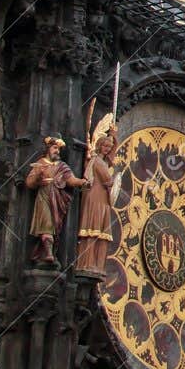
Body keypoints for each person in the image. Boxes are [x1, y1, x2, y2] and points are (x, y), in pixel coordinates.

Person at [25, 135, 84, 266]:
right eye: (55, 148)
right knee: (46, 225)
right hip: (44, 198)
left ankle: (49, 251)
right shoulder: (40, 164)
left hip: (57, 200)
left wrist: (82, 182)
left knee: (55, 227)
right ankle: (48, 253)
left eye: (59, 149)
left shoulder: (62, 166)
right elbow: (29, 183)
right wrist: (38, 177)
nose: (57, 151)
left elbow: (71, 180)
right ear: (48, 148)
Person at [75, 114, 120, 275]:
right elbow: (108, 180)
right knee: (93, 230)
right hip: (96, 198)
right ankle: (88, 263)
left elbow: (113, 155)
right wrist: (115, 181)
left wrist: (114, 137)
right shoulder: (98, 162)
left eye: (109, 147)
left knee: (100, 232)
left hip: (101, 198)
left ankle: (95, 264)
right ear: (99, 146)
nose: (108, 149)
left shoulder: (103, 161)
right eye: (105, 146)